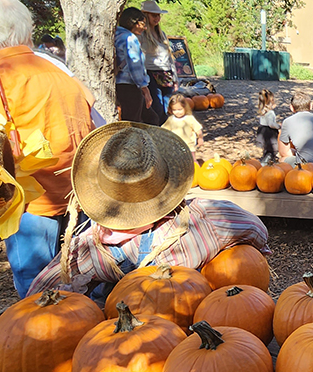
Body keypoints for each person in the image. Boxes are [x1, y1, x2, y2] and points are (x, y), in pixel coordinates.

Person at [27, 122, 270, 298]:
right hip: (188, 324)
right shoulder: (205, 220)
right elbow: (255, 229)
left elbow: (43, 289)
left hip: (119, 336)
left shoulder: (91, 247)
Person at [0, 0, 94, 297]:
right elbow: (89, 104)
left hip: (30, 204)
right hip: (78, 194)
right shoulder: (54, 69)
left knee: (40, 296)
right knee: (80, 282)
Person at [139, 0, 176, 125]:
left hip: (166, 72)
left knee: (167, 107)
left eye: (158, 15)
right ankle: (156, 132)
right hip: (151, 72)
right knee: (157, 107)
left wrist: (175, 77)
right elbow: (139, 57)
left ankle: (164, 134)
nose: (157, 18)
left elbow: (169, 56)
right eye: (154, 15)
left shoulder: (162, 34)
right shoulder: (142, 35)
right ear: (146, 15)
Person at [115, 7, 152, 123]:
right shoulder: (130, 38)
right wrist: (144, 88)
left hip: (117, 83)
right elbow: (134, 65)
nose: (144, 28)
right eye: (142, 24)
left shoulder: (115, 35)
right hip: (129, 85)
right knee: (135, 121)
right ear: (133, 22)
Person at [162, 94, 203, 161]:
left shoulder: (190, 118)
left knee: (192, 162)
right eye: (174, 110)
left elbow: (198, 129)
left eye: (180, 109)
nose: (177, 112)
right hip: (176, 147)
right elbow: (164, 130)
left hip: (189, 146)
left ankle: (196, 170)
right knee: (179, 162)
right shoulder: (171, 119)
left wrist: (200, 138)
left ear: (185, 108)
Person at [255, 88, 280, 161]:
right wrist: (278, 126)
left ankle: (266, 158)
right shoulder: (270, 113)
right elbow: (270, 124)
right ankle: (267, 161)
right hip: (269, 132)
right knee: (272, 149)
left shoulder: (263, 111)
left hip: (262, 131)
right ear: (270, 103)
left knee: (266, 147)